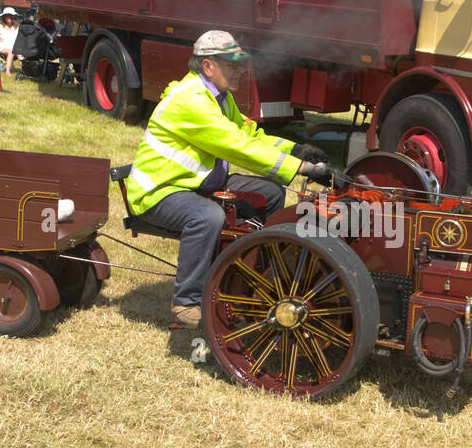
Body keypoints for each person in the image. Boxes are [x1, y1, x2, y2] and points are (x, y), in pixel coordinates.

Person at [124, 30, 331, 328]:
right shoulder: (192, 100)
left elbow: (250, 136)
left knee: (271, 192)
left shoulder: (219, 98)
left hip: (197, 184)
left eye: (240, 63)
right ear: (208, 66)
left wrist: (296, 150)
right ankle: (186, 302)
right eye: (232, 64)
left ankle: (259, 274)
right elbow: (238, 148)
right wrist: (302, 169)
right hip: (159, 191)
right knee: (206, 216)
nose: (241, 70)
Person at [0, 7, 21, 78]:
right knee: (10, 52)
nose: (9, 17)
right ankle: (7, 71)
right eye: (7, 16)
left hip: (15, 47)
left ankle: (24, 70)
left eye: (10, 16)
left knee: (20, 53)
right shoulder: (0, 27)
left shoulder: (17, 27)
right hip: (3, 47)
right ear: (4, 17)